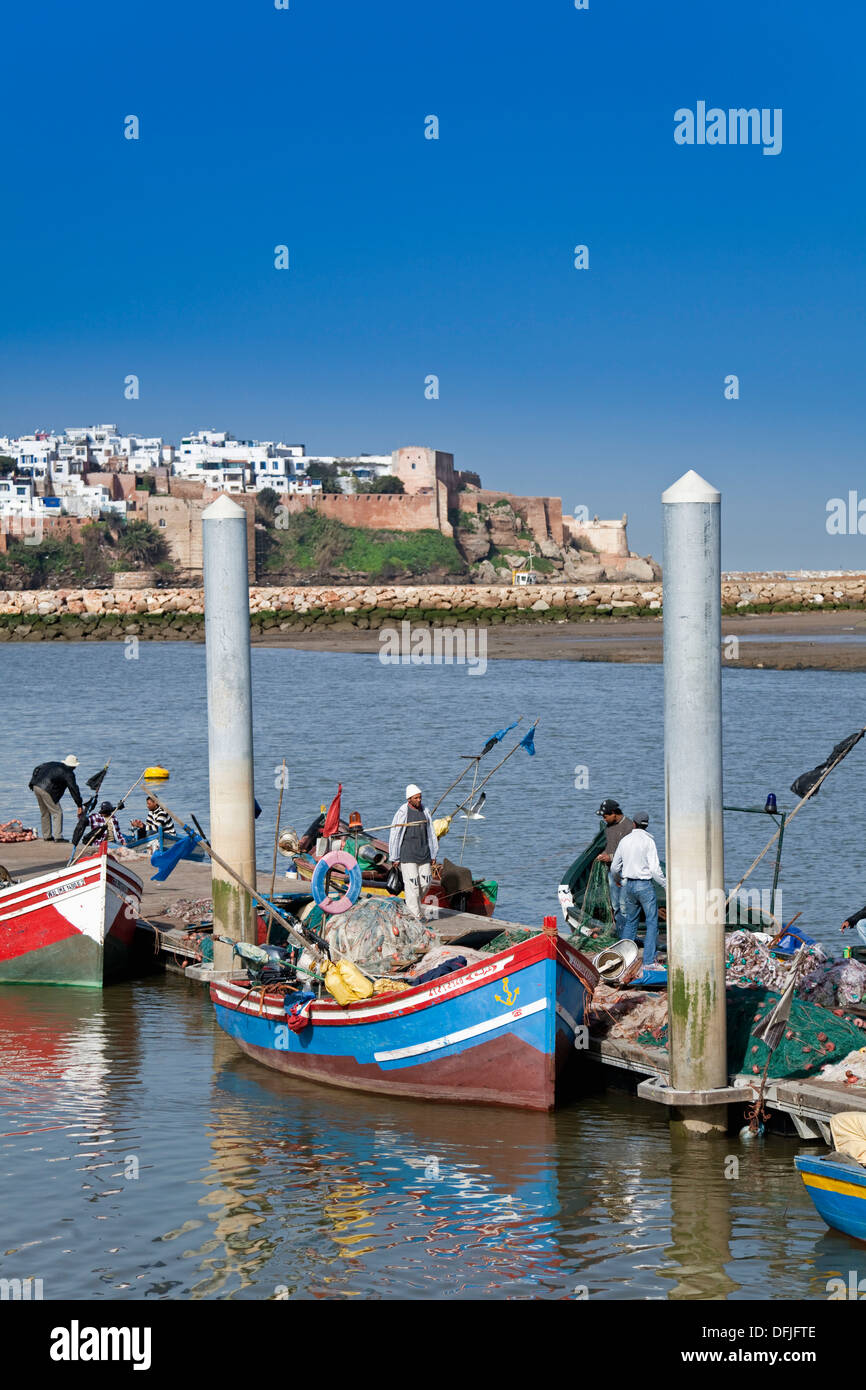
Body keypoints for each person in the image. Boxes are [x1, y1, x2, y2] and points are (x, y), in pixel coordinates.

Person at [611, 810, 666, 968]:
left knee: (630, 922)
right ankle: (648, 961)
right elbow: (655, 870)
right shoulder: (649, 842)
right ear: (646, 826)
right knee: (652, 923)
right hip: (645, 886)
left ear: (634, 824)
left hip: (628, 885)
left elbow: (615, 867)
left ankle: (623, 959)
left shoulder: (625, 840)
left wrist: (618, 880)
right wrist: (665, 885)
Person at [388, 783, 439, 920]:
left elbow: (431, 834)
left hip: (424, 854)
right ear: (409, 799)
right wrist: (394, 856)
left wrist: (433, 853)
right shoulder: (402, 813)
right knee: (413, 887)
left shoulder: (425, 811)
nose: (419, 800)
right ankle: (415, 916)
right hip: (407, 855)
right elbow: (395, 834)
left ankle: (411, 905)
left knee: (426, 883)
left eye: (420, 797)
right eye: (416, 798)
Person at [595, 798, 635, 933]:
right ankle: (619, 930)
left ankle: (626, 934)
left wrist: (610, 857)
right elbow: (609, 846)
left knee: (624, 905)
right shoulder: (608, 827)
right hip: (611, 871)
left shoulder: (629, 826)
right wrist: (602, 854)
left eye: (605, 816)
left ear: (613, 813)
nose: (604, 819)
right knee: (615, 904)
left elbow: (629, 852)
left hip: (625, 872)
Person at [28, 755, 84, 843]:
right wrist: (79, 805)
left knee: (44, 812)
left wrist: (32, 782)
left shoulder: (52, 764)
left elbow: (37, 768)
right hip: (46, 789)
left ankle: (47, 836)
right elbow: (73, 789)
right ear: (73, 766)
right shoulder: (69, 773)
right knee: (57, 812)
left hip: (36, 786)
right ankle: (58, 837)